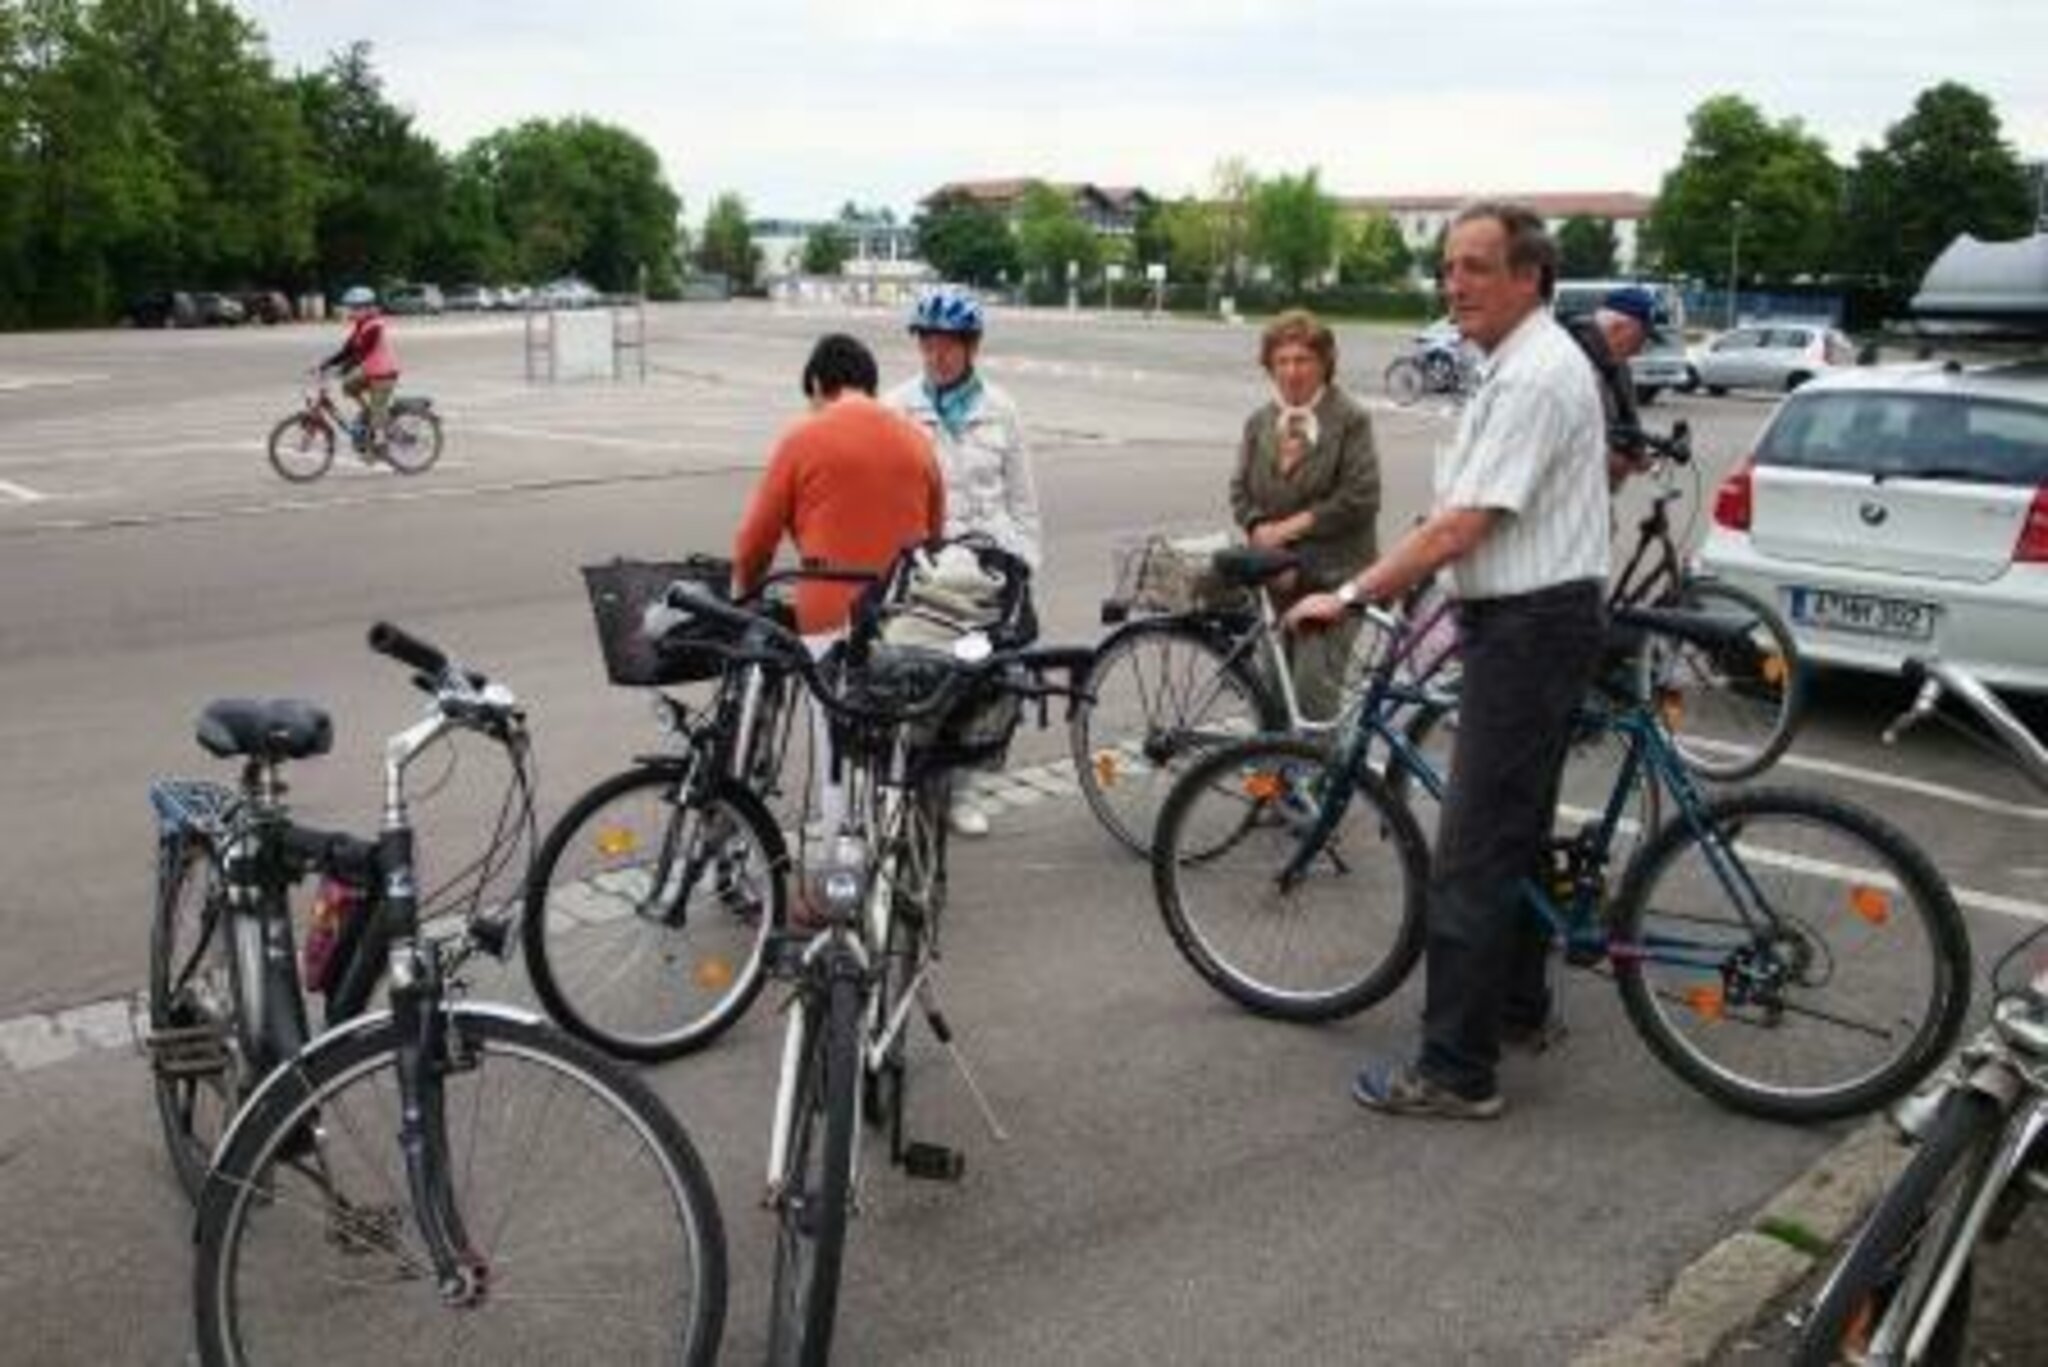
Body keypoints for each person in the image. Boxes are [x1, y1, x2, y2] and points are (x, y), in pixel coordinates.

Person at [1286, 201, 1610, 1120]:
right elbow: (1470, 517)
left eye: (1474, 265)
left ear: (1528, 276)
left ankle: (1456, 1068)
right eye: (1447, 266)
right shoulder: (1511, 365)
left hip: (1531, 624)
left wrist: (1353, 593)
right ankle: (1515, 1005)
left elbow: (1466, 523)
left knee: (1470, 851)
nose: (1453, 283)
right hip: (1530, 613)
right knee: (1515, 827)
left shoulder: (1535, 376)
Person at [732, 333, 946, 854]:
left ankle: (837, 877)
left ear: (820, 385)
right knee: (892, 743)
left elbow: (755, 539)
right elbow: (936, 538)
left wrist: (745, 597)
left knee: (835, 753)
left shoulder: (805, 437)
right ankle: (893, 867)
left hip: (828, 618)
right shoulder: (918, 441)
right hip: (904, 617)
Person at [886, 284, 1044, 837]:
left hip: (988, 569)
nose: (937, 353)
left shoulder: (1002, 409)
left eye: (948, 343)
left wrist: (1023, 564)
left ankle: (965, 790)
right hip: (929, 572)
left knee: (983, 680)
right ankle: (919, 783)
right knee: (922, 675)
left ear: (971, 346)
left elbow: (1023, 499)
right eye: (928, 342)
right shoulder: (898, 406)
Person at [1229, 308, 1381, 722]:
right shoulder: (1259, 423)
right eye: (1282, 361)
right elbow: (1240, 491)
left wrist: (1289, 530)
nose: (1292, 371)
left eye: (1303, 360)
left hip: (1334, 580)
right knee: (1273, 697)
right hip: (1276, 583)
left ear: (1324, 363)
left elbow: (1360, 496)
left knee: (1312, 693)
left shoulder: (1350, 419)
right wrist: (1258, 527)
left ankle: (1318, 780)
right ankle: (1277, 780)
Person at [1563, 286, 1656, 488]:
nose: (1640, 350)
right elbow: (1557, 439)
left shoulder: (1615, 364)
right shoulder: (1569, 363)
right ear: (1618, 328)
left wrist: (1638, 451)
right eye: (1640, 338)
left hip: (1594, 497)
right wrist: (1609, 460)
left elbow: (1626, 419)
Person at [317, 286, 400, 458]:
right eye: (351, 308)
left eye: (356, 308)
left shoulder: (375, 326)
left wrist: (343, 368)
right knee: (348, 386)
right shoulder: (361, 326)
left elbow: (362, 354)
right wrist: (326, 363)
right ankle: (369, 412)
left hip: (384, 374)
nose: (352, 312)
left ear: (368, 308)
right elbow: (347, 350)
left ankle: (379, 447)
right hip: (371, 371)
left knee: (378, 413)